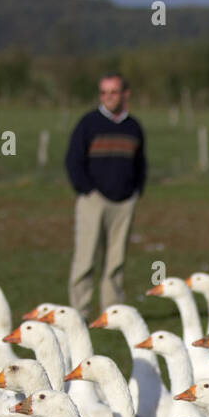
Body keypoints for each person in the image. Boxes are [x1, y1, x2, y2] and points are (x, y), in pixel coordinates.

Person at [65, 73, 147, 319]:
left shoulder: (134, 127)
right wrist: (87, 190)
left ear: (125, 94)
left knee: (116, 260)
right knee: (85, 258)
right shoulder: (88, 123)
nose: (108, 97)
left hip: (124, 202)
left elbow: (140, 163)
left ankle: (113, 312)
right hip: (94, 199)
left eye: (113, 92)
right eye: (103, 92)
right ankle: (79, 312)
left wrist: (136, 190)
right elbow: (73, 160)